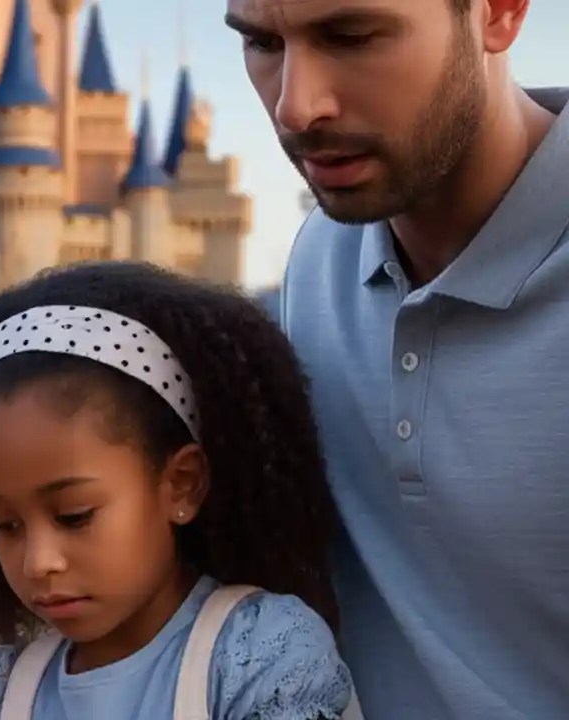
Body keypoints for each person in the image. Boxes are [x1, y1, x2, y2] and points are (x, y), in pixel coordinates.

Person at [226, 0, 569, 717]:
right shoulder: (322, 256)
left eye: (350, 36)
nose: (295, 107)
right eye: (262, 43)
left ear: (500, 13)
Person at [0, 261, 355, 719]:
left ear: (181, 485)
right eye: (5, 524)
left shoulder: (261, 658)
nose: (38, 562)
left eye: (74, 515)